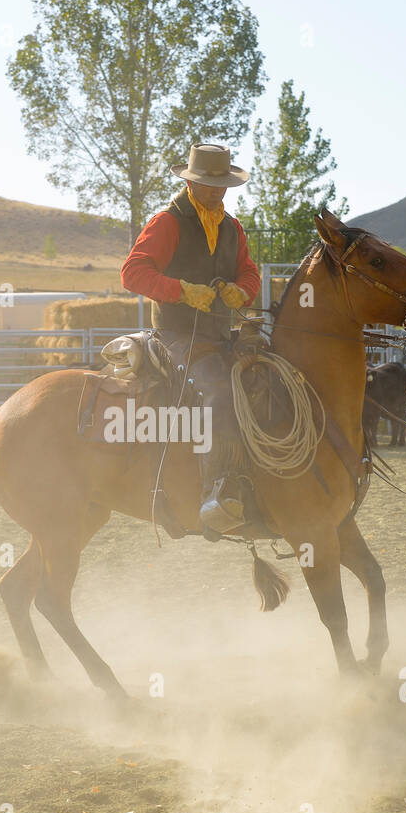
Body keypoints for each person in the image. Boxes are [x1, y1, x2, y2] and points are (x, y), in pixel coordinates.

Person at [121, 143, 265, 537]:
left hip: (219, 334)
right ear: (190, 181)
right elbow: (132, 273)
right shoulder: (167, 222)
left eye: (222, 185)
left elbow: (250, 274)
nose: (217, 191)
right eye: (208, 184)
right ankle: (215, 494)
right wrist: (181, 290)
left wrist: (242, 292)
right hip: (176, 334)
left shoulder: (232, 227)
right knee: (219, 391)